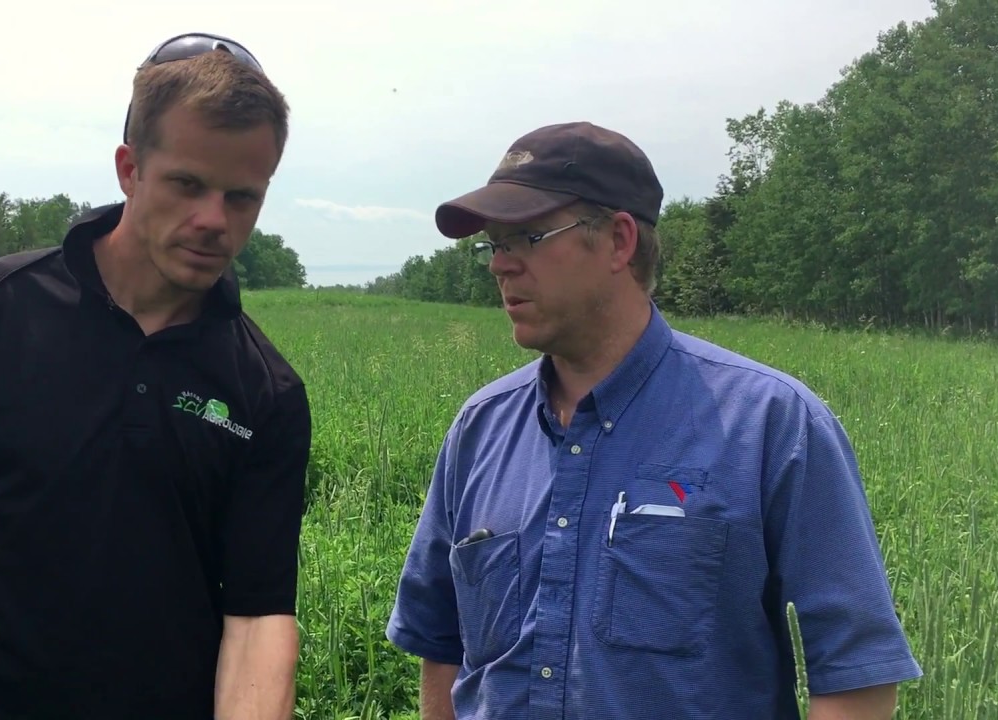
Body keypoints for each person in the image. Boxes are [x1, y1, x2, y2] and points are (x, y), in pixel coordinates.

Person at [0, 32, 310, 720]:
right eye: (187, 184)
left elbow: (256, 622)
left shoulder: (266, 392)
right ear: (129, 168)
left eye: (242, 197)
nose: (213, 221)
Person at [385, 121, 922, 719]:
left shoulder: (771, 423)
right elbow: (442, 642)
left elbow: (855, 672)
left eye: (528, 237)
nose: (499, 266)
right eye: (495, 244)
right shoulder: (480, 428)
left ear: (618, 241)